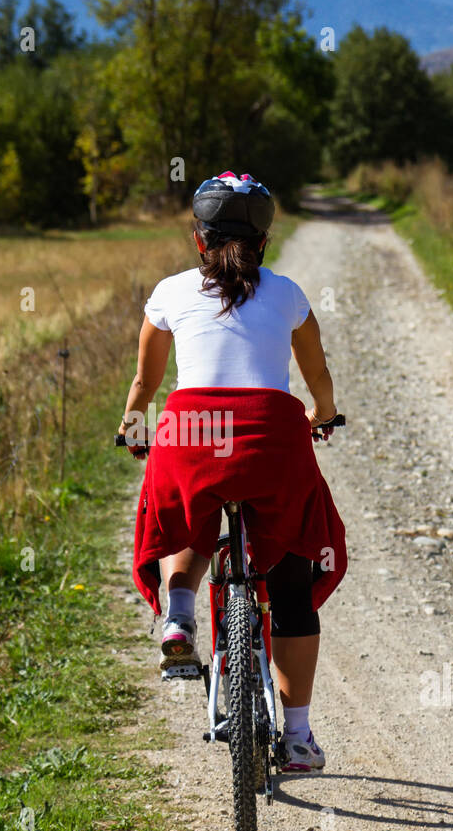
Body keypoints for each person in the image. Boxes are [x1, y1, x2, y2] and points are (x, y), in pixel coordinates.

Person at [119, 171, 347, 771]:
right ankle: (297, 736)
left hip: (191, 432)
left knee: (184, 515)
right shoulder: (288, 292)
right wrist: (325, 414)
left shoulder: (170, 292)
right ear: (265, 241)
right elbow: (317, 377)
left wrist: (133, 424)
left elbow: (145, 382)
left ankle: (179, 618)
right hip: (272, 435)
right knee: (294, 572)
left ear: (199, 240)